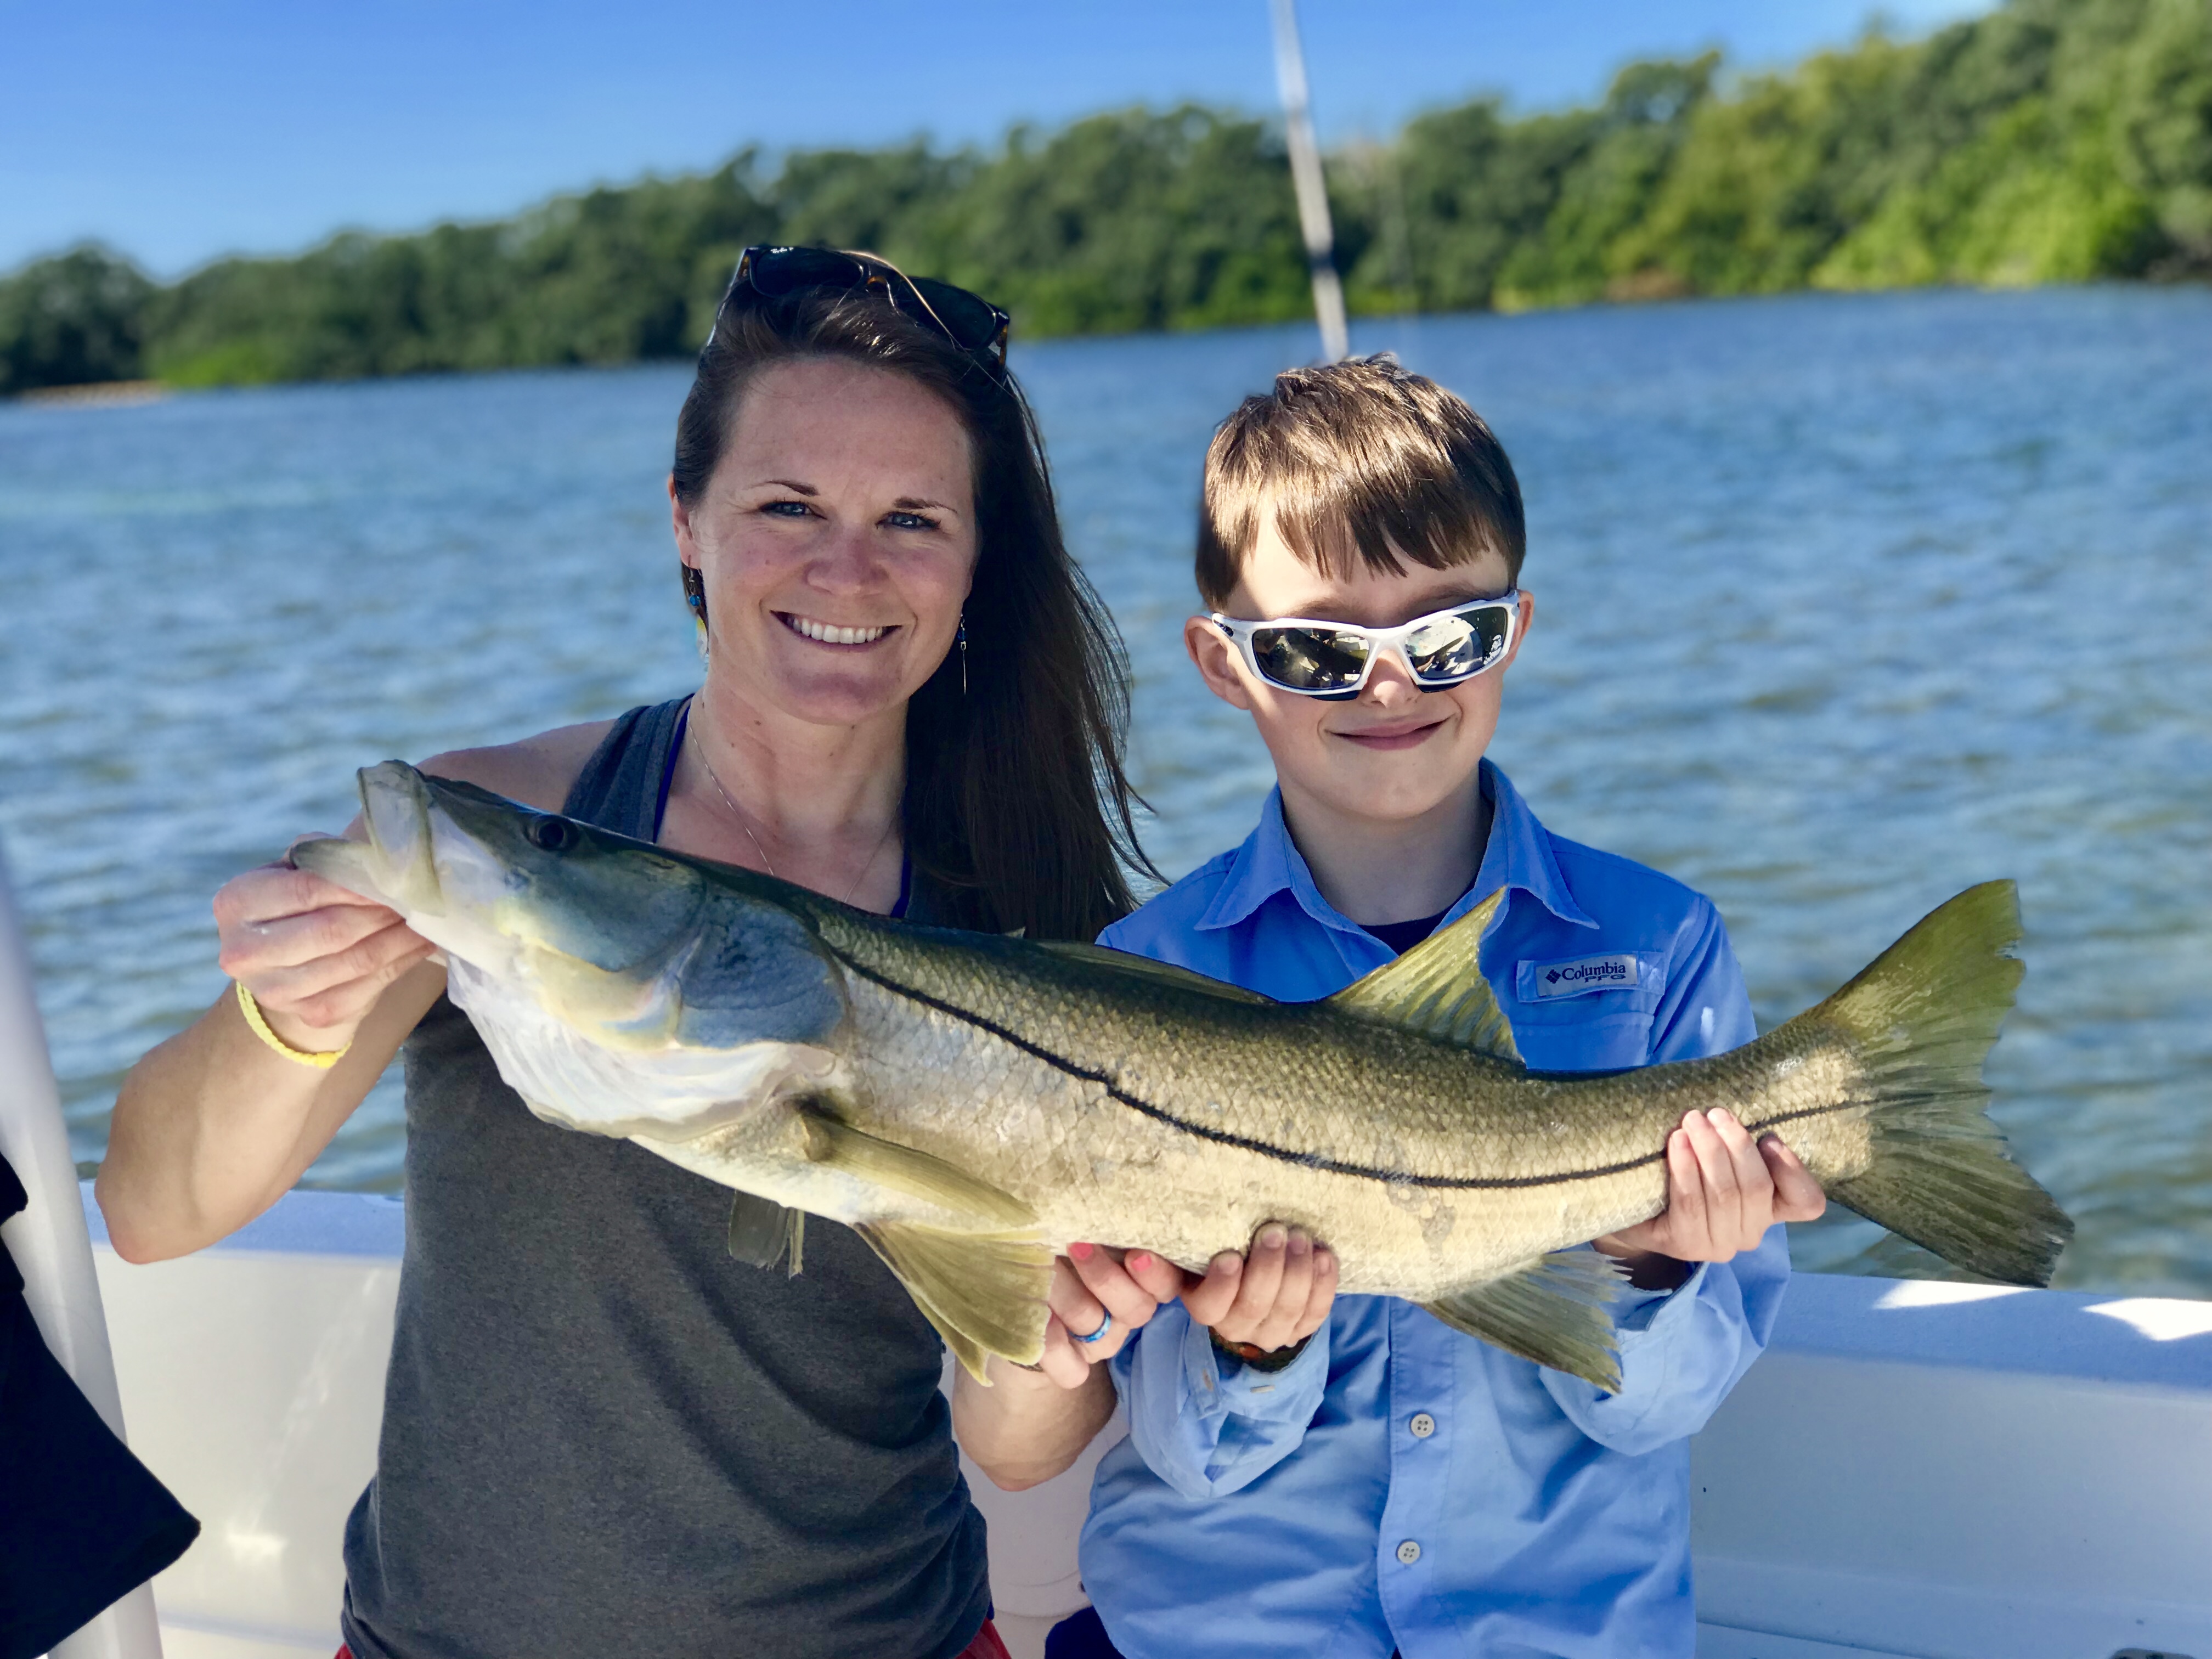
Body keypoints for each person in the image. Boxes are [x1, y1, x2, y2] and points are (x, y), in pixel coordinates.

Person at [95, 247, 1165, 1659]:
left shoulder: (1034, 916)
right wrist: (284, 1019)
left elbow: (1027, 1450)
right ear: (685, 523)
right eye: (787, 505)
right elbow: (155, 1210)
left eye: (912, 518)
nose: (846, 568)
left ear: (975, 564)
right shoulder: (508, 836)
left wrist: (1047, 1359)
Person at [1048, 357, 1828, 1659]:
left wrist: (1656, 1266)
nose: (1391, 688)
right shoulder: (1145, 977)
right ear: (1224, 663)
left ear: (1513, 631)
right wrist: (1250, 1355)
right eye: (1317, 648)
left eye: (1446, 635)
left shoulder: (1661, 945)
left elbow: (1666, 1410)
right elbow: (1184, 1458)